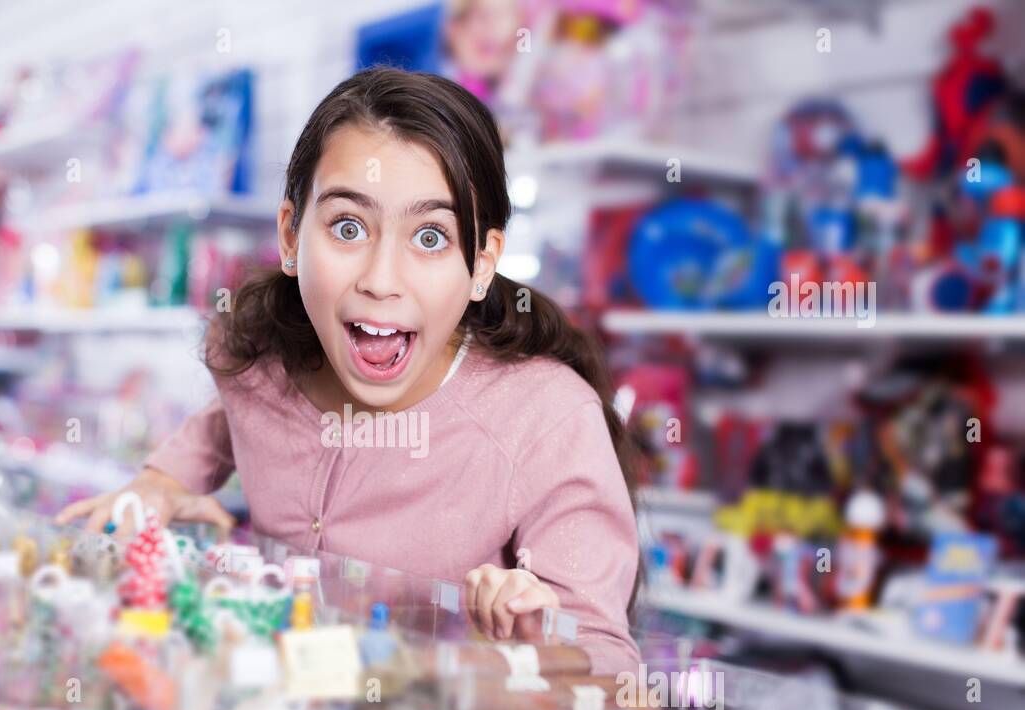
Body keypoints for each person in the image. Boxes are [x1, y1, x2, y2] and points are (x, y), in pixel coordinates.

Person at [57, 66, 643, 673]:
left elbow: (614, 677)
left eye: (432, 238)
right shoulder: (259, 361)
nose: (381, 280)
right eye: (348, 226)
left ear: (482, 263)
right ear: (291, 236)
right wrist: (165, 480)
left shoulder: (545, 418)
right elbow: (231, 416)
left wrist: (528, 660)